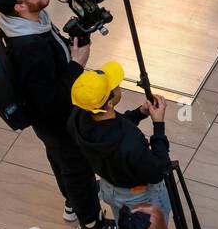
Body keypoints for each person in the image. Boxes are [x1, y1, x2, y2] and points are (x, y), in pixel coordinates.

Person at [0, 0, 118, 229]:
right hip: (57, 120)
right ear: (19, 6)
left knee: (59, 158)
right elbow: (50, 100)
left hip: (49, 123)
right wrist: (77, 64)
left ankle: (71, 201)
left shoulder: (27, 22)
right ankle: (89, 223)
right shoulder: (30, 47)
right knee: (76, 166)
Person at [66, 60, 175, 220]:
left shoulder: (77, 118)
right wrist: (158, 125)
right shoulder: (130, 143)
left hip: (110, 189)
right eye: (115, 86)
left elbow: (113, 126)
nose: (119, 87)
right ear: (109, 102)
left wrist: (140, 113)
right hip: (139, 197)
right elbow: (157, 171)